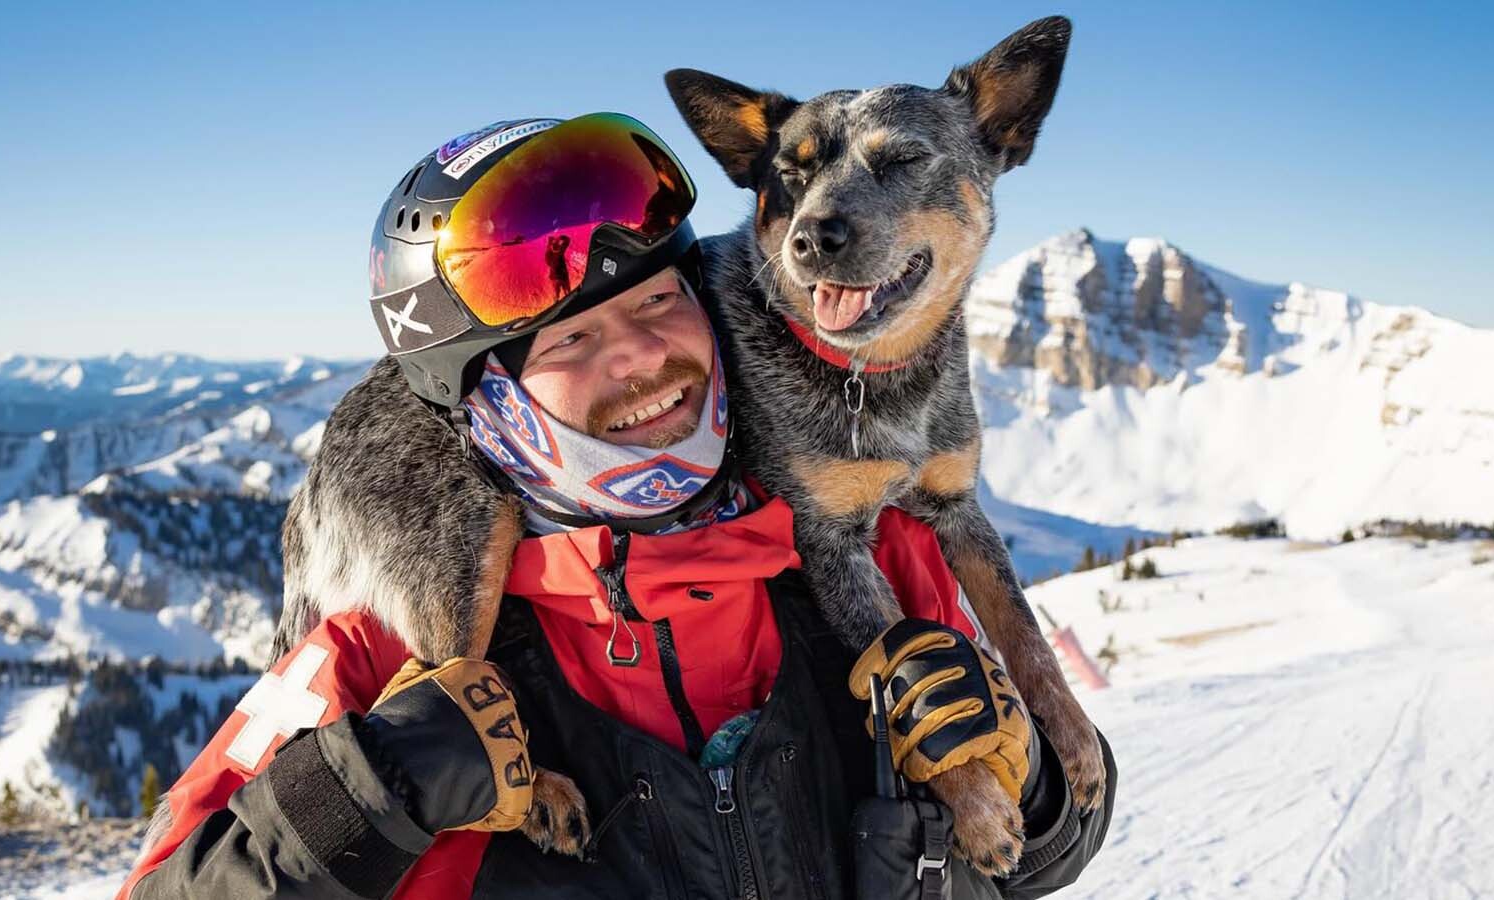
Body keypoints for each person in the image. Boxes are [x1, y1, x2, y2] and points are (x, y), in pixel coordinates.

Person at [118, 114, 1115, 900]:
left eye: (654, 302)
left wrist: (1024, 778)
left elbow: (1041, 860)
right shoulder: (382, 663)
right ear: (485, 399)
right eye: (568, 344)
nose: (641, 357)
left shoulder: (876, 551)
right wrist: (373, 791)